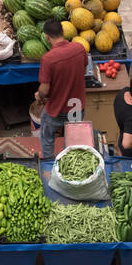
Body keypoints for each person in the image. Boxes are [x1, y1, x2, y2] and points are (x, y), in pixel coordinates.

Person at [34, 18, 87, 159]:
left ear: (47, 36)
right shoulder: (79, 48)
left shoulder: (48, 59)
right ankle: (70, 161)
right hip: (76, 106)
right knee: (73, 139)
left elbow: (44, 90)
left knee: (47, 136)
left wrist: (39, 96)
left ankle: (49, 161)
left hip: (56, 109)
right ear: (63, 32)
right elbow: (83, 69)